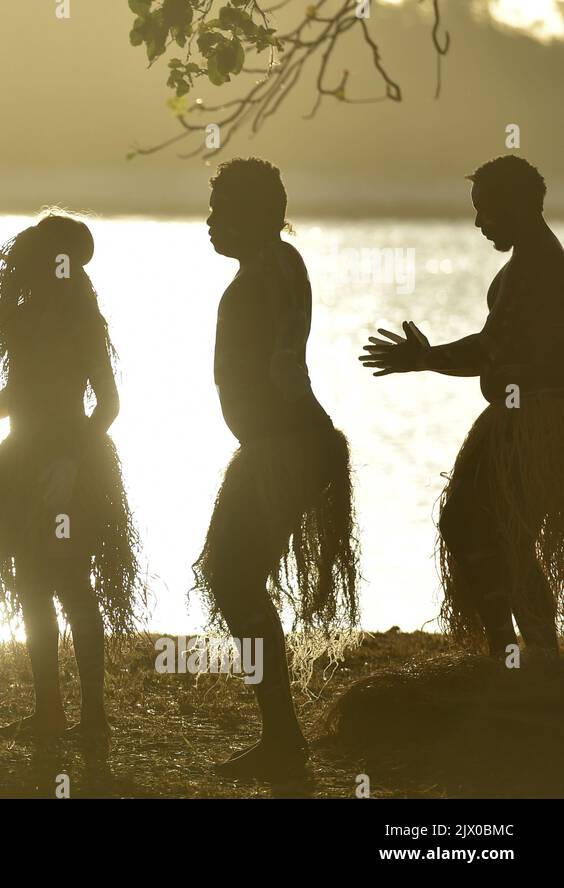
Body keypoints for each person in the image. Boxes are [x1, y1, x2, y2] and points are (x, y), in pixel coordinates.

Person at [362, 155, 563, 660]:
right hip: (523, 420)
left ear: (516, 204)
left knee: (480, 525)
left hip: (533, 422)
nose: (478, 223)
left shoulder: (537, 264)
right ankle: (526, 651)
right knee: (499, 530)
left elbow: (490, 350)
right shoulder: (533, 259)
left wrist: (425, 359)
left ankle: (513, 650)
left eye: (485, 210)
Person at [197, 158, 359, 779]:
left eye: (221, 211)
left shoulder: (270, 271)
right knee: (235, 577)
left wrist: (295, 433)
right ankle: (280, 734)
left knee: (236, 578)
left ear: (254, 214)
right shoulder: (274, 267)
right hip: (280, 444)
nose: (210, 223)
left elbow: (284, 361)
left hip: (283, 445)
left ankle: (283, 737)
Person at [0, 213, 141, 740]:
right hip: (22, 460)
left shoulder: (83, 320)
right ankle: (49, 711)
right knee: (32, 584)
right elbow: (20, 392)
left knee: (70, 581)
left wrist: (72, 460)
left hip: (73, 464)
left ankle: (93, 716)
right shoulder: (23, 318)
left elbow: (108, 403)